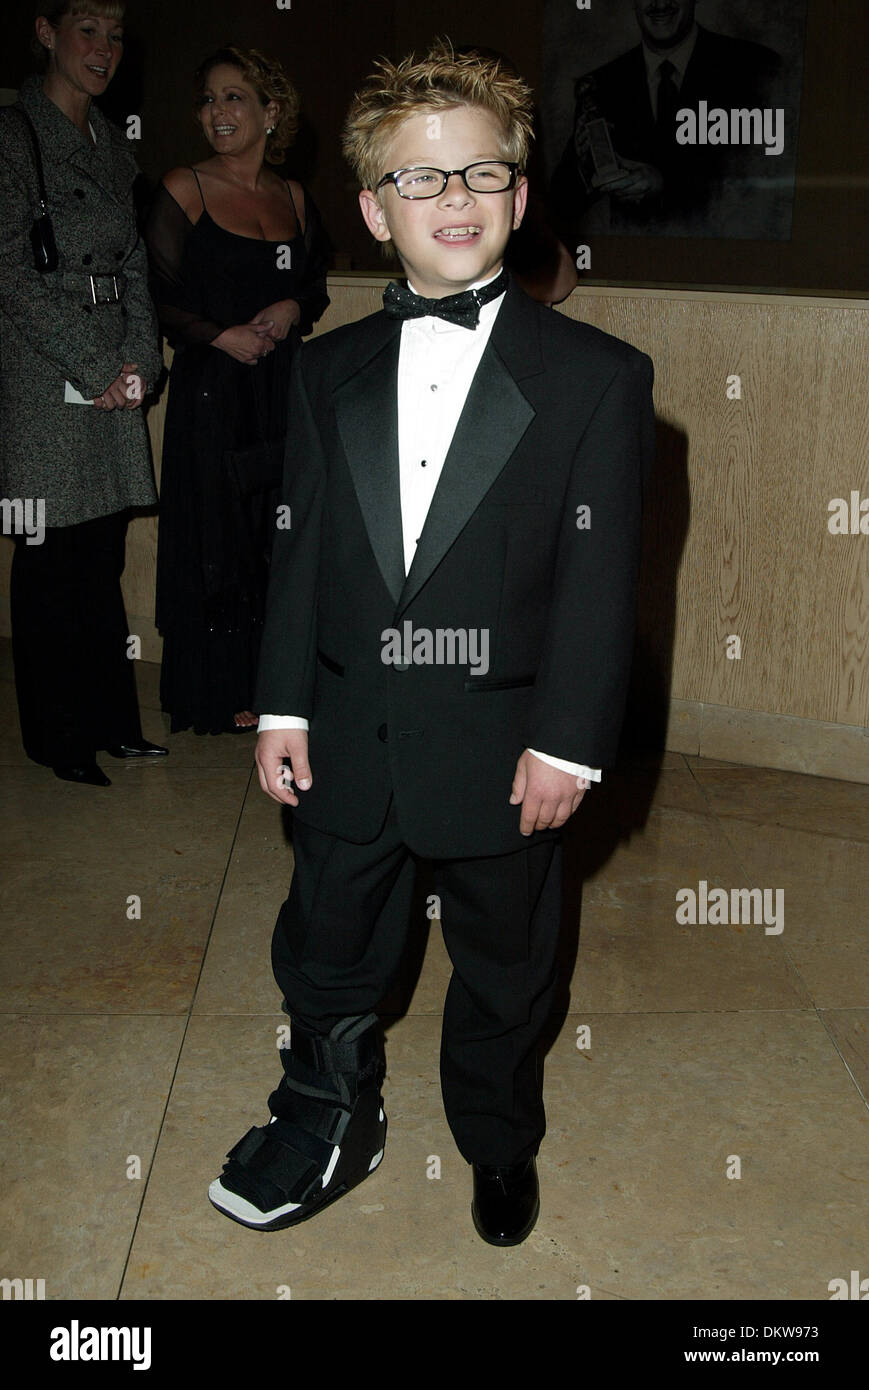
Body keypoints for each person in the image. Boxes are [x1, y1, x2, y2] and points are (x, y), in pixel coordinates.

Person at [208, 40, 655, 1246]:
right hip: (347, 728)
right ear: (370, 208)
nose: (452, 199)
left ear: (517, 193)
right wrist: (285, 703)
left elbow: (598, 587)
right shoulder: (324, 371)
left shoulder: (597, 381)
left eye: (480, 174)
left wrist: (567, 742)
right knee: (326, 941)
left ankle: (498, 1142)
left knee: (504, 974)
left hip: (505, 745)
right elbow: (297, 554)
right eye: (420, 178)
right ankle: (326, 1114)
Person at [0, 1, 166, 787]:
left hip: (110, 366)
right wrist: (94, 366)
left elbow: (134, 263)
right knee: (48, 557)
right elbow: (9, 279)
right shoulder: (11, 135)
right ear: (46, 32)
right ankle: (55, 737)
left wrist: (139, 361)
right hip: (43, 373)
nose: (104, 49)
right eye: (87, 29)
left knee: (98, 555)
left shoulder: (113, 145)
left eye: (115, 34)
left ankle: (111, 722)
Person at [145, 46, 330, 736]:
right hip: (211, 393)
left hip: (281, 387)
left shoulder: (294, 197)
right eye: (208, 101)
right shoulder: (184, 186)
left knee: (276, 536)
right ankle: (213, 690)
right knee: (215, 535)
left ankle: (270, 684)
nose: (217, 114)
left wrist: (289, 310)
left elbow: (310, 286)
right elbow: (154, 296)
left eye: (234, 99)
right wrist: (219, 336)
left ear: (270, 111)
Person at [551, 0, 782, 237]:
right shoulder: (600, 86)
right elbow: (561, 207)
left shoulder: (756, 69)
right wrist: (584, 165)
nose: (660, 3)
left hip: (729, 262)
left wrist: (666, 183)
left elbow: (772, 187)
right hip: (634, 267)